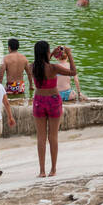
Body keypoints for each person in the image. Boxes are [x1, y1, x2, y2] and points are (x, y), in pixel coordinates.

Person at [27, 41, 75, 177]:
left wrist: (52, 53)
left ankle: (42, 171)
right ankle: (53, 169)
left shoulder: (31, 67)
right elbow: (73, 72)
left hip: (39, 101)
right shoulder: (54, 68)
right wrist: (69, 54)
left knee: (41, 137)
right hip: (53, 100)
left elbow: (42, 64)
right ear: (47, 53)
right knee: (53, 137)